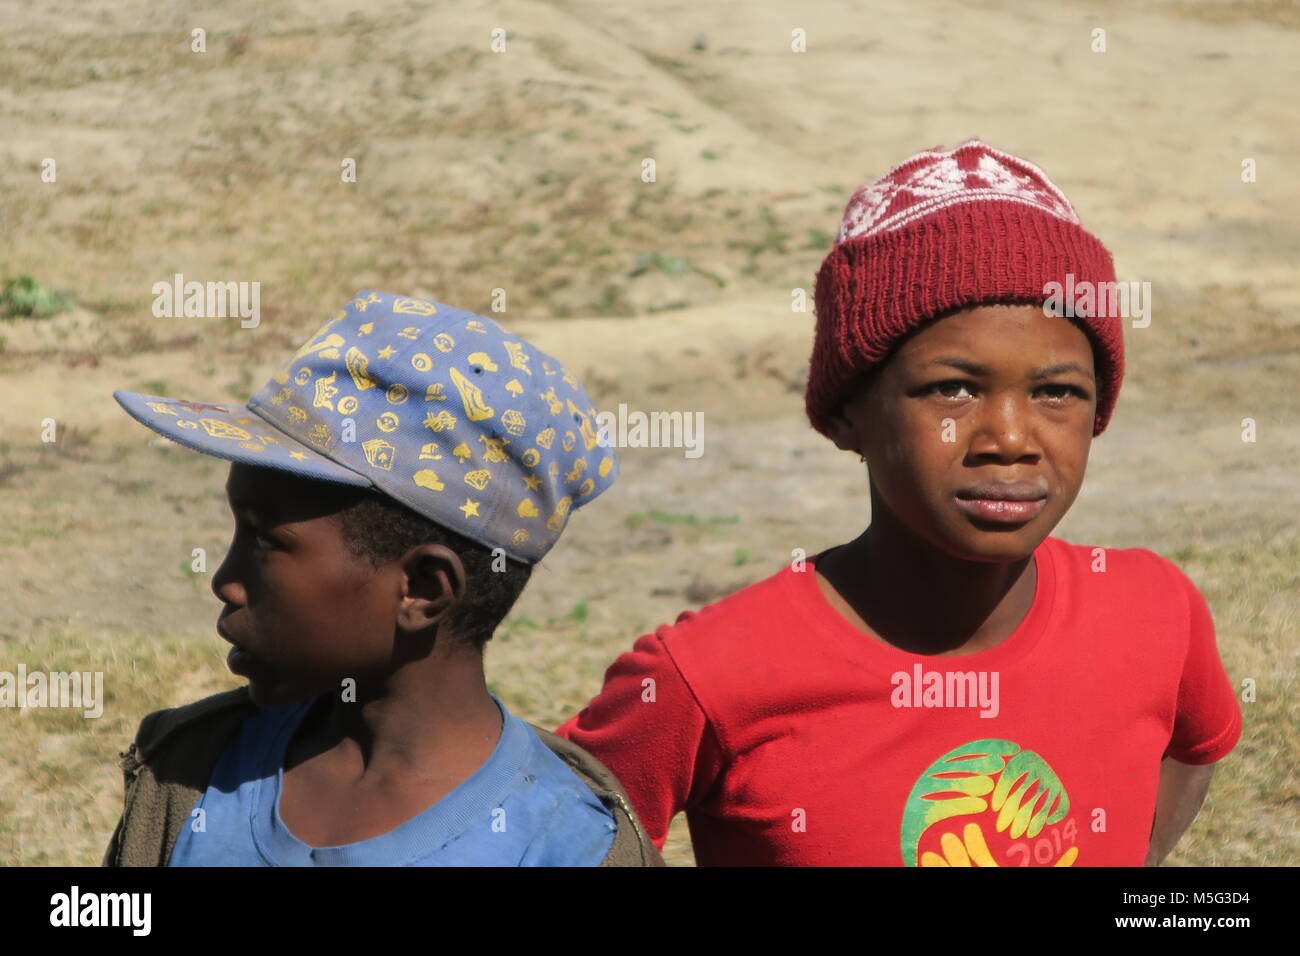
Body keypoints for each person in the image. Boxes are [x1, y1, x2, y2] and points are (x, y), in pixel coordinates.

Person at [555, 140, 1242, 866]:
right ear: (851, 413)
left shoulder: (1153, 612)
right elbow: (551, 833)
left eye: (1056, 392)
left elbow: (1194, 748)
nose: (1009, 438)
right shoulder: (707, 676)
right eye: (953, 388)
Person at [103, 290, 662, 867]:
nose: (225, 580)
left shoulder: (569, 846)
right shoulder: (192, 770)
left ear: (422, 588)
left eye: (266, 541)